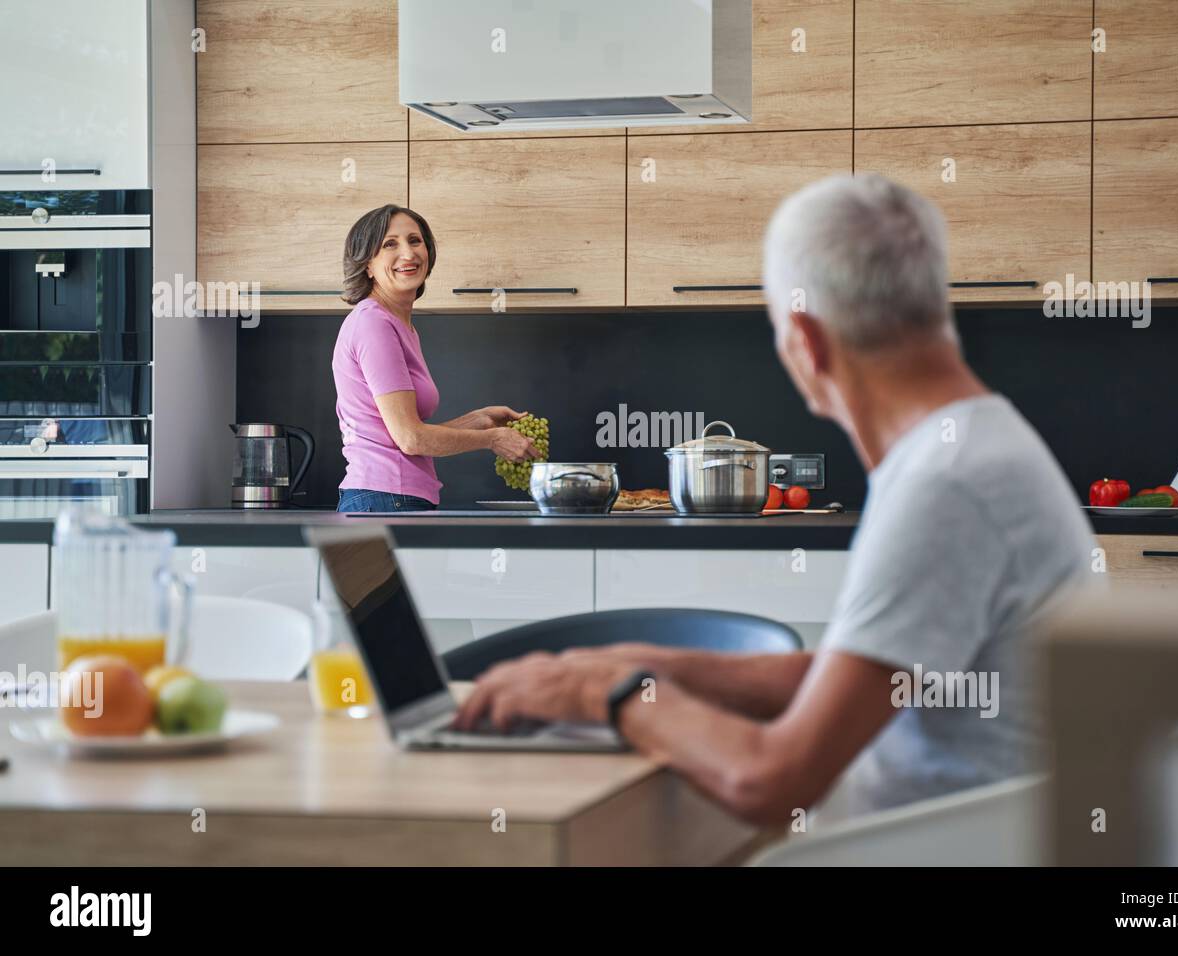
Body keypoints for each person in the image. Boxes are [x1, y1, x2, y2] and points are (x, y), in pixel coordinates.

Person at [454, 174, 1098, 824]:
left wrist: (614, 693)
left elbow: (770, 782)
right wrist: (648, 663)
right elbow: (851, 681)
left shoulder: (943, 485)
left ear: (805, 341)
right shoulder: (978, 444)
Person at [332, 204, 538, 513]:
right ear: (368, 265)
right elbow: (411, 439)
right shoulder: (374, 324)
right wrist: (493, 439)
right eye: (390, 244)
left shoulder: (400, 327)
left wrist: (479, 421)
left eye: (415, 241)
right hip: (384, 499)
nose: (408, 253)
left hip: (390, 498)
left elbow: (404, 433)